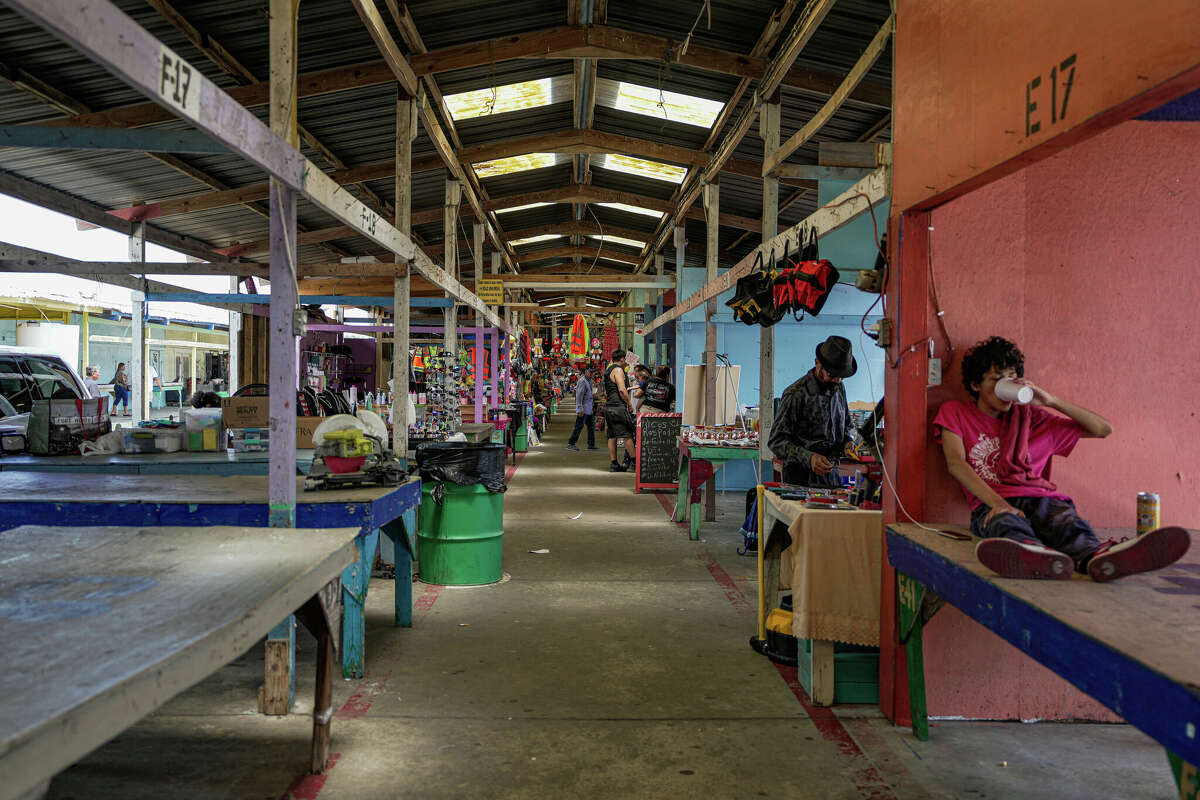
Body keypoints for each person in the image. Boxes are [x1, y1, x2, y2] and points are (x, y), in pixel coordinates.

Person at [934, 336, 1188, 581]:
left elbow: (1103, 429)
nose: (1006, 385)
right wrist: (998, 503)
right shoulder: (956, 413)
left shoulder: (1033, 418)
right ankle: (1036, 557)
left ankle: (1099, 559)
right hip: (991, 505)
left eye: (1012, 378)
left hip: (1041, 499)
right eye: (997, 379)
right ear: (976, 385)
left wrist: (1051, 401)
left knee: (1064, 521)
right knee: (1006, 525)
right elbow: (956, 463)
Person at [769, 335, 856, 488]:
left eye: (841, 377)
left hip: (832, 475)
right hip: (801, 479)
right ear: (817, 363)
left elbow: (848, 425)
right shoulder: (796, 394)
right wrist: (809, 458)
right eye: (832, 375)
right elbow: (776, 441)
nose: (838, 381)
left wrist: (848, 441)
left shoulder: (838, 388)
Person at [602, 349, 637, 472]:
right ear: (622, 359)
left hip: (610, 406)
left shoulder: (608, 370)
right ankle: (634, 462)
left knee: (612, 435)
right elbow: (622, 390)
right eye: (625, 359)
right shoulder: (618, 370)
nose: (626, 361)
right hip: (618, 407)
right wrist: (629, 404)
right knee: (626, 434)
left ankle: (614, 464)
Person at [565, 369, 598, 452]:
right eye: (590, 372)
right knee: (579, 426)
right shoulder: (582, 381)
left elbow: (588, 393)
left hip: (589, 408)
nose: (592, 374)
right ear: (586, 372)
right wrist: (579, 408)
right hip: (583, 409)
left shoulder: (589, 381)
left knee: (591, 426)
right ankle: (571, 443)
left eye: (592, 373)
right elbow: (579, 395)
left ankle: (591, 444)